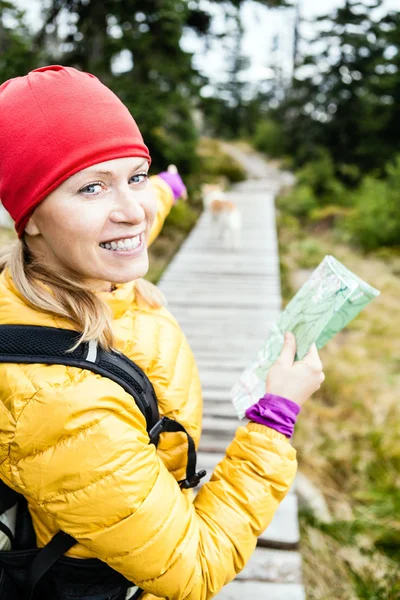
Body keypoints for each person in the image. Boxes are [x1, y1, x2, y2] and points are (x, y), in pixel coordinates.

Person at [0, 65, 324, 600]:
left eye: (135, 174)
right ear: (30, 216)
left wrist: (164, 188)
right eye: (90, 187)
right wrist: (275, 417)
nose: (133, 211)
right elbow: (192, 570)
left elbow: (136, 209)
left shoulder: (73, 265)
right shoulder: (60, 404)